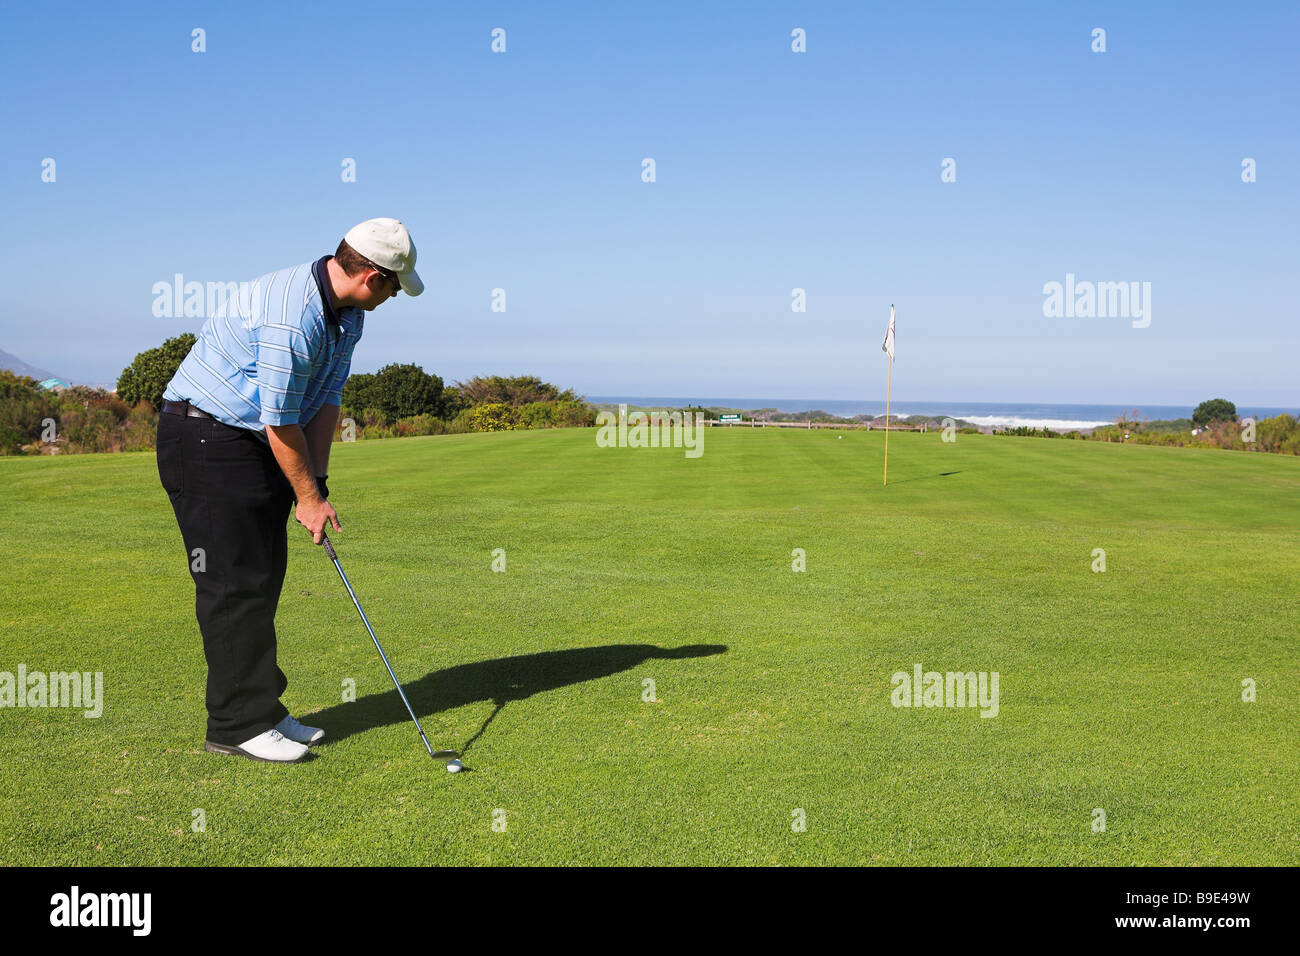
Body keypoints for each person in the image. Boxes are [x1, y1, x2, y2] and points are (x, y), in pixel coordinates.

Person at [156, 218, 423, 762]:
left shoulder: (348, 315)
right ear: (372, 275)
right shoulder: (293, 317)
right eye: (395, 285)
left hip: (252, 439)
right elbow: (281, 420)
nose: (395, 295)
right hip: (207, 437)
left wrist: (317, 485)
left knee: (263, 575)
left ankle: (263, 710)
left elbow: (325, 402)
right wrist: (306, 499)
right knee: (234, 584)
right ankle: (234, 727)